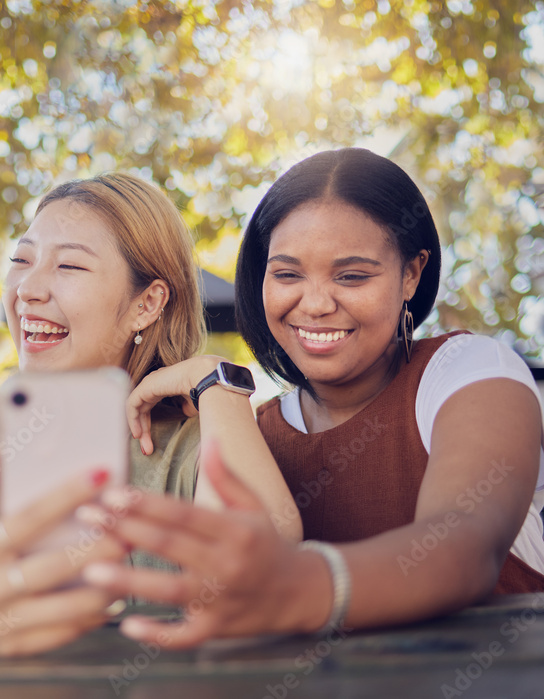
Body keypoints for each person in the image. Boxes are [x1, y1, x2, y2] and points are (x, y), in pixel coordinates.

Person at [0, 173, 301, 653]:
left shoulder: (198, 443)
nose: (28, 290)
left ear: (146, 304)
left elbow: (270, 561)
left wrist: (217, 383)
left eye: (69, 267)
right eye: (21, 260)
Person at [78, 148, 544, 647]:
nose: (316, 304)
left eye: (352, 276)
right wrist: (215, 380)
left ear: (411, 274)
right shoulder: (257, 434)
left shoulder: (469, 373)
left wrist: (300, 586)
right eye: (287, 275)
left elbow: (462, 547)